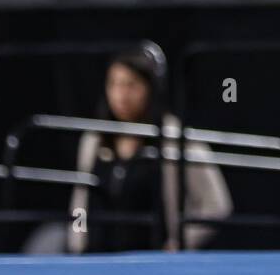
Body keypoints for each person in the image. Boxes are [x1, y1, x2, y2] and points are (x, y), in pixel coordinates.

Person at [68, 47, 232, 254]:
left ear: (150, 89)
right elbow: (80, 200)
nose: (121, 95)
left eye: (131, 85)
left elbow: (216, 205)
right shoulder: (94, 139)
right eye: (114, 84)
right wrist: (77, 243)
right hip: (98, 258)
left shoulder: (175, 138)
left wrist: (178, 244)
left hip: (152, 260)